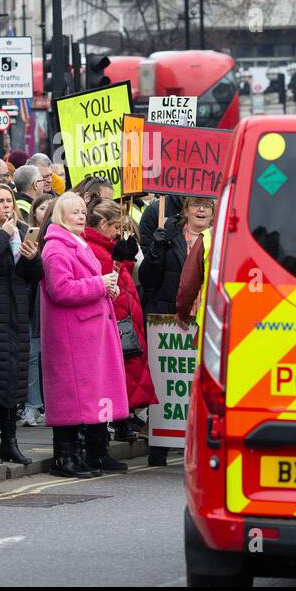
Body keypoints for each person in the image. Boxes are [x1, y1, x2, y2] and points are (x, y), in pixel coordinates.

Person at [38, 192, 129, 478]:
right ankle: (65, 458)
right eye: (74, 212)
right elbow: (61, 289)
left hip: (87, 331)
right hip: (72, 335)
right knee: (72, 397)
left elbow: (84, 284)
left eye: (82, 211)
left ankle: (92, 453)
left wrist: (106, 288)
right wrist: (99, 284)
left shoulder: (77, 243)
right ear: (60, 216)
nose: (81, 216)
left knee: (91, 395)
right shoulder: (55, 249)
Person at [138, 195, 214, 465]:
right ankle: (158, 447)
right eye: (196, 204)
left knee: (197, 385)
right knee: (166, 382)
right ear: (186, 209)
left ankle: (195, 445)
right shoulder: (169, 233)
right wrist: (156, 251)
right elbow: (148, 279)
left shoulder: (219, 240)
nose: (201, 209)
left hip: (203, 321)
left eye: (207, 205)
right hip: (167, 318)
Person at [0, 184, 41, 465]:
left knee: (14, 379)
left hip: (17, 312)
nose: (6, 206)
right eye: (0, 201)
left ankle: (9, 441)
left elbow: (36, 276)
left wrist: (32, 257)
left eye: (9, 201)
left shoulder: (22, 231)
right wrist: (3, 235)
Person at [84, 197, 156, 442]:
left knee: (128, 375)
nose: (118, 232)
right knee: (118, 377)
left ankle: (123, 420)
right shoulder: (93, 247)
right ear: (102, 223)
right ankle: (114, 425)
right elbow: (108, 280)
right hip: (115, 319)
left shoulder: (105, 245)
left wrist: (126, 259)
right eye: (116, 227)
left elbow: (117, 274)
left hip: (125, 316)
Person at [18, 193, 56, 427]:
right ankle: (32, 405)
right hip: (32, 304)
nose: (45, 212)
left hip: (48, 302)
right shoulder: (29, 235)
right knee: (33, 354)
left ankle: (48, 404)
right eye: (41, 208)